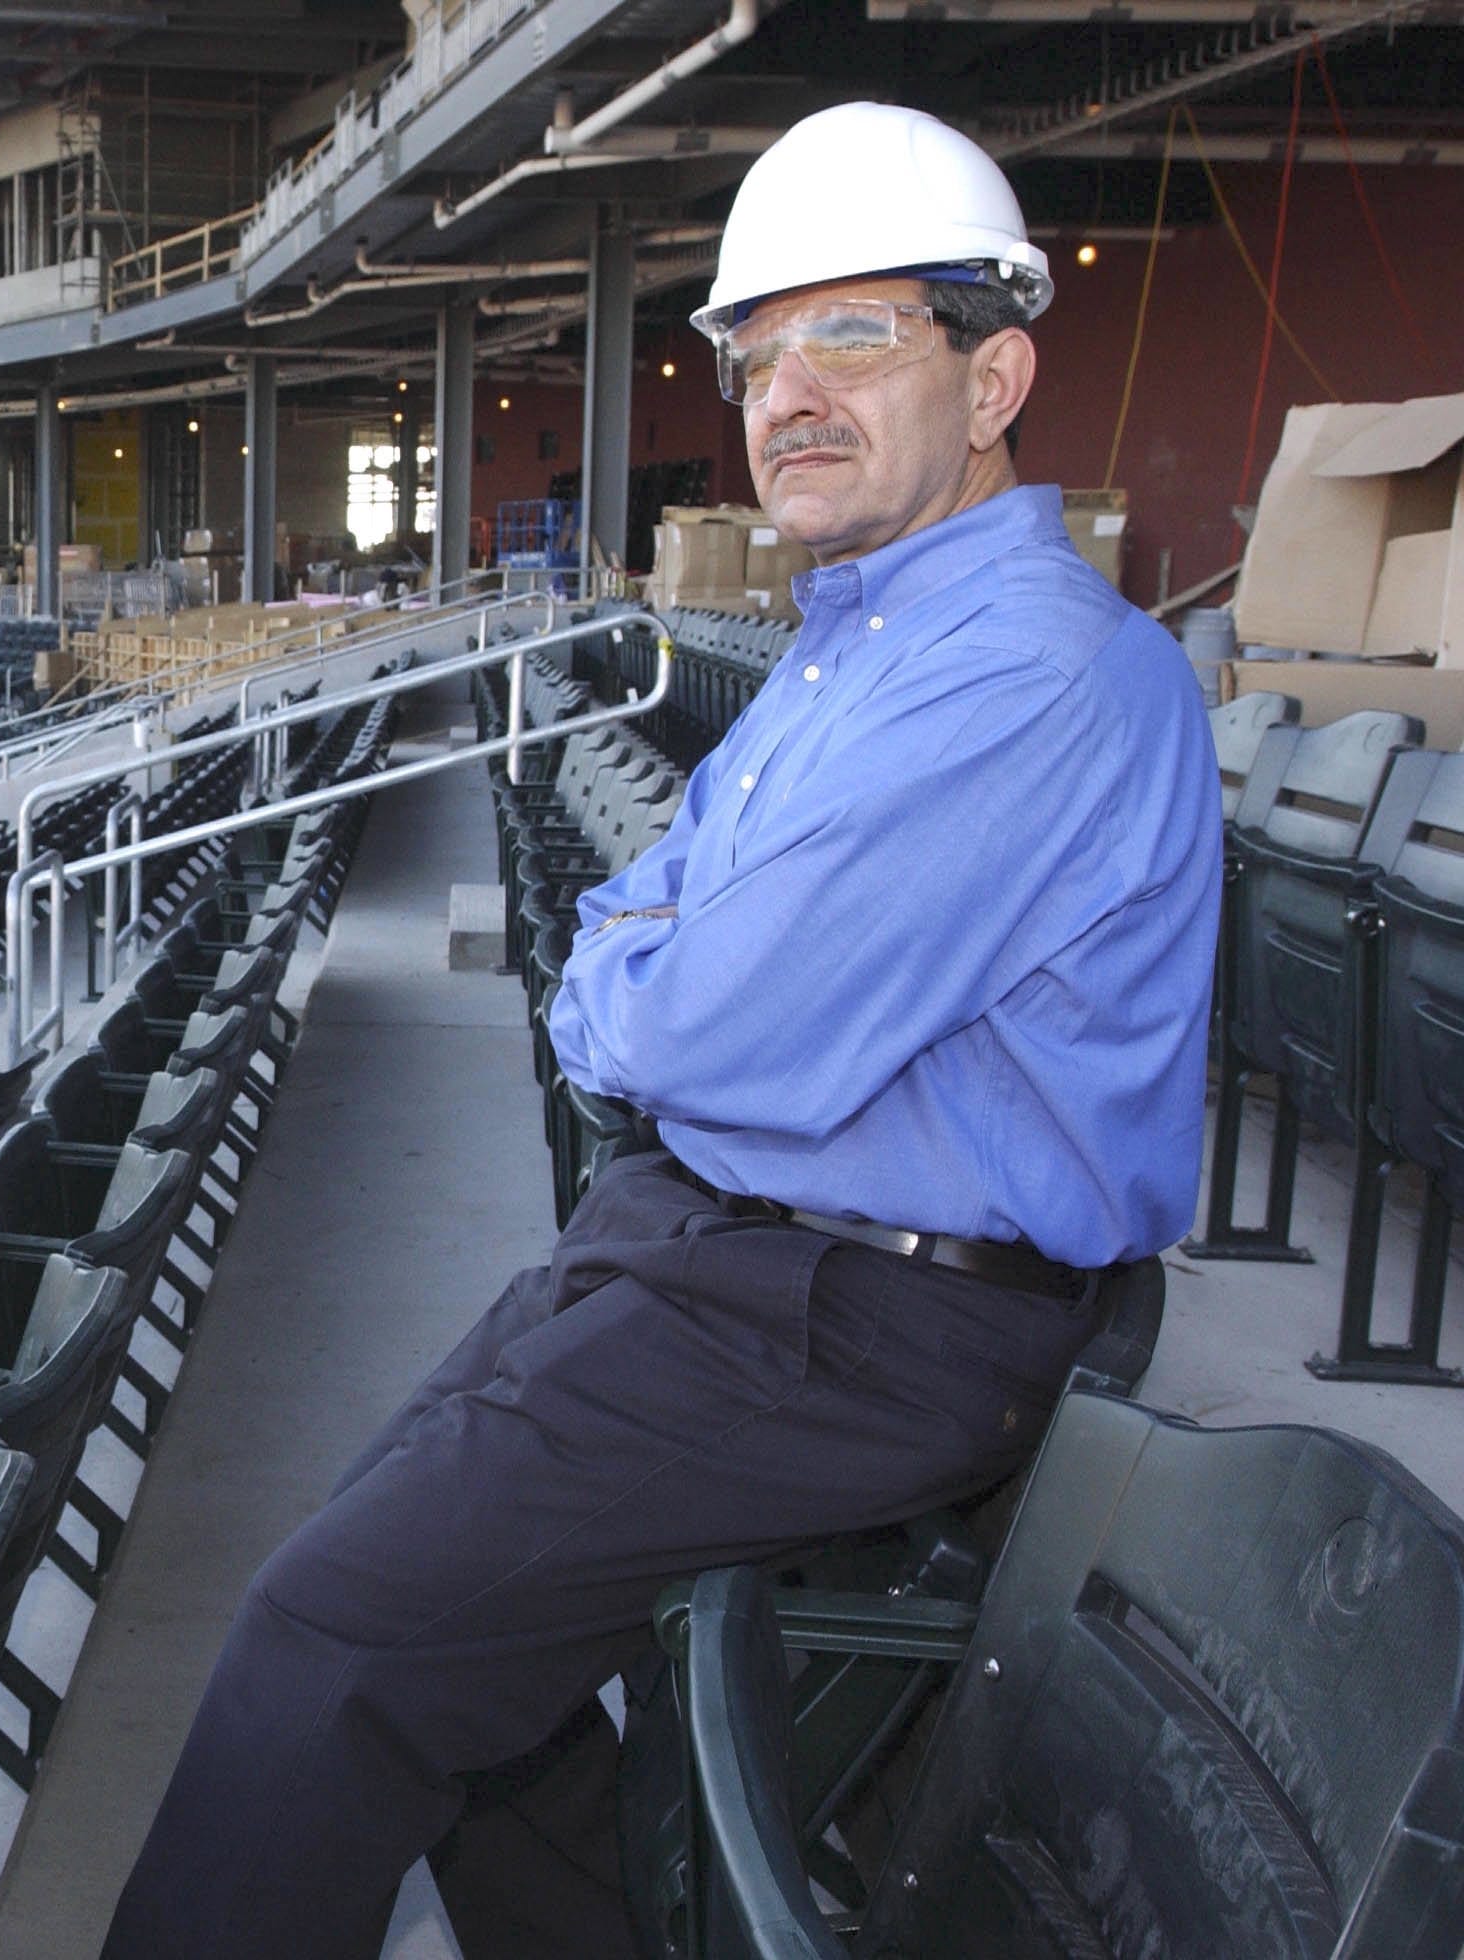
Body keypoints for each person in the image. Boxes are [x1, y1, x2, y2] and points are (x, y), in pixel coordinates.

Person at [101, 102, 1220, 1958]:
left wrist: (657, 988)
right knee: (449, 1657)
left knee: (329, 1647)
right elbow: (644, 944)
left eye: (855, 333)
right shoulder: (846, 641)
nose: (789, 392)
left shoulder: (1030, 668)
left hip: (865, 1313)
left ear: (996, 368)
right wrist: (658, 983)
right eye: (762, 350)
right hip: (719, 1252)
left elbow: (707, 1029)